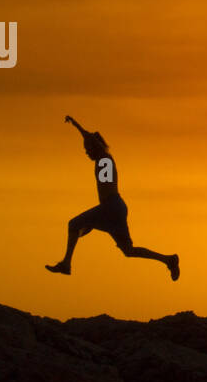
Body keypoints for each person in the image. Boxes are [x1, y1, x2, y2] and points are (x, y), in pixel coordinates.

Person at [46, 115, 179, 280]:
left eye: (88, 149)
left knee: (73, 224)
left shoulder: (104, 158)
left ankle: (66, 264)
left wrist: (76, 125)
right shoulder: (103, 161)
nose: (86, 152)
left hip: (111, 206)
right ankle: (168, 259)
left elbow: (92, 140)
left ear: (96, 146)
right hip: (116, 208)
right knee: (128, 251)